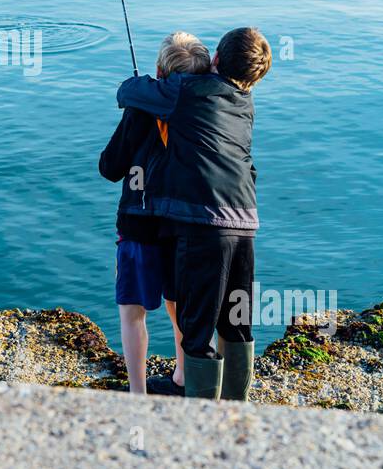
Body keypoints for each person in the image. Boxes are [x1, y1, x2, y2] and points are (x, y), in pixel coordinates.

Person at [115, 27, 272, 400]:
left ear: (216, 60)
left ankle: (200, 416)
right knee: (237, 321)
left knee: (197, 326)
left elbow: (128, 92)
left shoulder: (185, 91)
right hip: (246, 221)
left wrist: (151, 83)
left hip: (207, 225)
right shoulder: (244, 103)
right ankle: (236, 408)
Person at [99, 32, 210, 394]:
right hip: (184, 225)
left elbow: (110, 166)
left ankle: (138, 393)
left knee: (133, 311)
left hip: (138, 223)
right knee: (179, 306)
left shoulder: (142, 109)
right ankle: (182, 376)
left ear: (160, 72)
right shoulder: (206, 113)